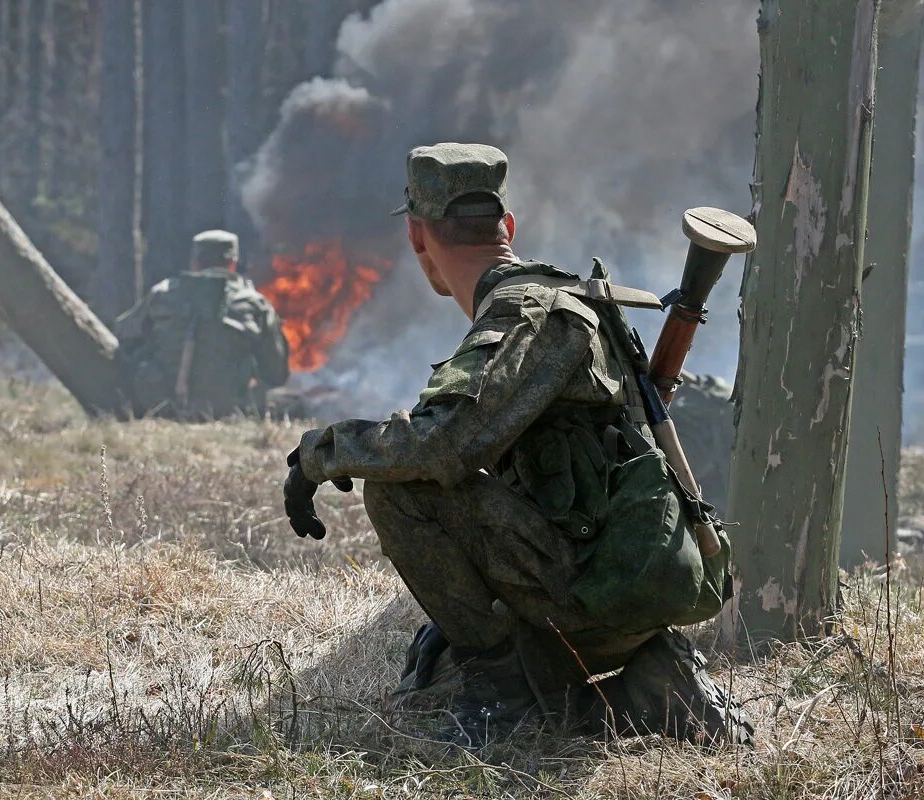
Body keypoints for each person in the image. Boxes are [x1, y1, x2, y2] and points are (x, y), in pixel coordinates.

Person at [281, 143, 752, 748]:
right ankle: (647, 684)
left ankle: (505, 697)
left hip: (595, 591)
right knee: (433, 669)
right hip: (629, 577)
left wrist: (324, 452)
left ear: (418, 238)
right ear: (507, 226)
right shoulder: (574, 300)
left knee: (403, 491)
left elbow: (437, 447)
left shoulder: (526, 316)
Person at [115, 230, 289, 419]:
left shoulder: (162, 293)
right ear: (233, 263)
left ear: (195, 262)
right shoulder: (255, 304)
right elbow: (276, 372)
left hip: (157, 404)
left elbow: (123, 335)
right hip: (226, 409)